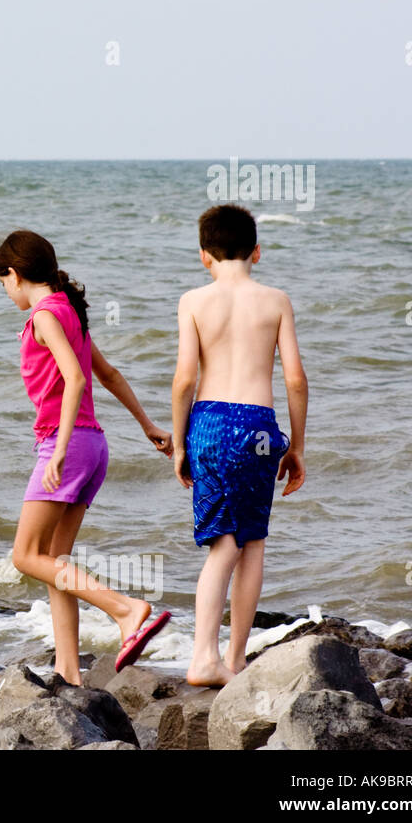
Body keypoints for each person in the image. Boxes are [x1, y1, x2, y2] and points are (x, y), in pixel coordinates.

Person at [0, 230, 173, 684]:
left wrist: (57, 451)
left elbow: (75, 380)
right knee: (57, 561)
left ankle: (126, 610)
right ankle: (69, 670)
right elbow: (107, 374)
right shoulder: (70, 313)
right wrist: (147, 425)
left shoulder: (44, 317)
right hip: (94, 446)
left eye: (3, 283)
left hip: (67, 444)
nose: (5, 292)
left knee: (25, 555)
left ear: (14, 275)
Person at [172, 204, 307, 687]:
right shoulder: (276, 300)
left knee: (222, 541)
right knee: (251, 541)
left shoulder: (192, 301)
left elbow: (185, 378)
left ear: (204, 256)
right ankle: (230, 659)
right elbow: (294, 378)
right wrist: (297, 446)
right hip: (258, 428)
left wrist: (181, 441)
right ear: (257, 251)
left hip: (207, 423)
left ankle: (207, 657)